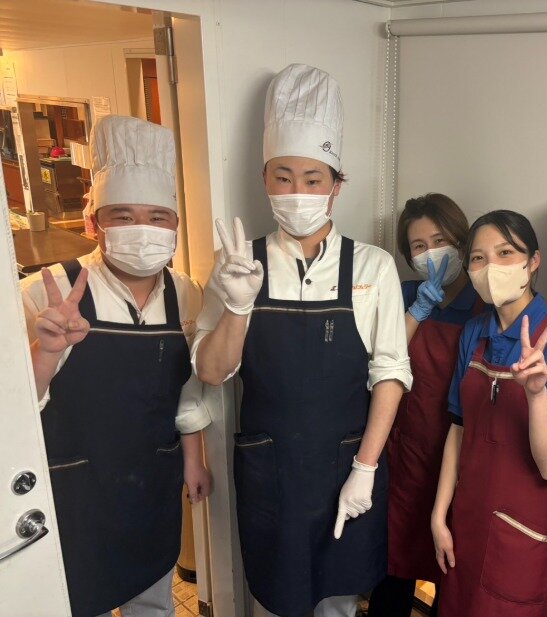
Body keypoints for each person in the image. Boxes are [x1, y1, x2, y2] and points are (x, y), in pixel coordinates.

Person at [192, 64, 411, 617]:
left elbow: (390, 372)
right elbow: (212, 372)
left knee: (338, 605)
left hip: (346, 466)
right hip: (272, 474)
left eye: (313, 179)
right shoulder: (237, 262)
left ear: (336, 186)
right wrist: (238, 306)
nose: (297, 192)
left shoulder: (373, 265)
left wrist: (366, 468)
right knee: (277, 602)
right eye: (283, 177)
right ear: (264, 179)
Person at [22, 114, 212, 617]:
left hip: (152, 481)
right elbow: (14, 410)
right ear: (94, 223)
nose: (142, 230)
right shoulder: (45, 292)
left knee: (153, 599)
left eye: (158, 217)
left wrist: (193, 458)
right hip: (76, 489)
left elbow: (187, 390)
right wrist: (46, 351)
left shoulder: (186, 293)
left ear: (175, 225)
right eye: (123, 216)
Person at [431, 210, 547, 617]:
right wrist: (439, 514)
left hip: (523, 531)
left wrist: (536, 396)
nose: (490, 267)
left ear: (533, 261)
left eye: (505, 253)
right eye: (478, 258)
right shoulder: (474, 333)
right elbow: (458, 428)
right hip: (467, 518)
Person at [368, 194, 486, 617]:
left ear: (462, 242)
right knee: (393, 564)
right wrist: (418, 310)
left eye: (440, 241)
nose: (431, 252)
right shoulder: (403, 294)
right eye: (419, 246)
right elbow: (380, 361)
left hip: (459, 456)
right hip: (404, 455)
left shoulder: (483, 303)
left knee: (450, 570)